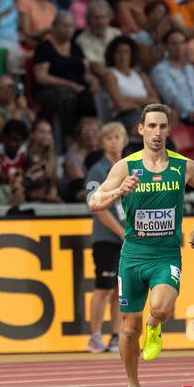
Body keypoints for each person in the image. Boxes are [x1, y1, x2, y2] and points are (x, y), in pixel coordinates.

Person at [87, 104, 194, 387]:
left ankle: (156, 326)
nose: (157, 133)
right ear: (140, 130)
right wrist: (119, 190)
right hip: (132, 255)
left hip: (166, 254)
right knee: (129, 331)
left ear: (169, 131)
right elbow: (94, 202)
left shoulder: (182, 166)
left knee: (159, 307)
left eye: (163, 127)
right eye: (152, 126)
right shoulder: (125, 167)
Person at [83, 122, 127, 354]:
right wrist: (121, 232)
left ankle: (116, 335)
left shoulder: (130, 167)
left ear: (124, 140)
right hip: (106, 239)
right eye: (109, 138)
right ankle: (95, 336)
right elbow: (97, 206)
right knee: (104, 287)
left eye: (117, 137)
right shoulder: (97, 170)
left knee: (121, 289)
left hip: (127, 238)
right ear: (102, 142)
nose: (113, 141)